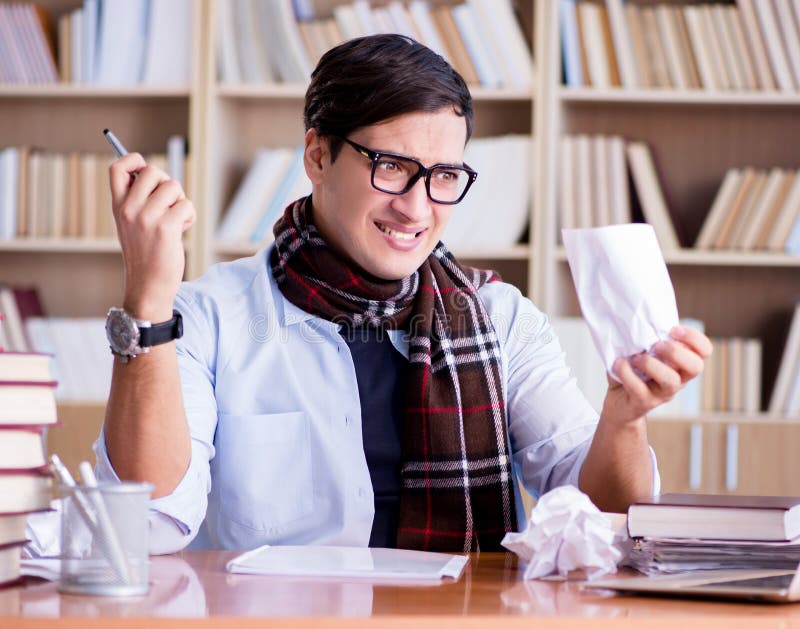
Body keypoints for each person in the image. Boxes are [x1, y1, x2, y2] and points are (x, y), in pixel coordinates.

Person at [97, 34, 712, 553]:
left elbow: (606, 522)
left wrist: (625, 421)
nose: (416, 207)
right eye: (390, 166)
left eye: (443, 176)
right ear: (317, 155)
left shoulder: (500, 319)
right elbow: (146, 524)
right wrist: (149, 299)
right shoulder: (210, 317)